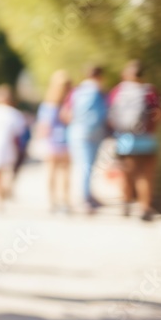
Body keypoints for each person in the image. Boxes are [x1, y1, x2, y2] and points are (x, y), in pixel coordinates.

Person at [108, 60, 161, 221]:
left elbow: (110, 117)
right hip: (147, 140)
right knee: (145, 175)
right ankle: (144, 209)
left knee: (125, 174)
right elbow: (158, 114)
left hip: (124, 141)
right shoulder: (150, 92)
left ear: (126, 74)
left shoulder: (118, 91)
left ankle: (125, 204)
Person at [62, 65, 109, 213]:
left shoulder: (76, 91)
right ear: (100, 76)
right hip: (93, 134)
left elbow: (65, 113)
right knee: (88, 167)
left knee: (83, 166)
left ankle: (87, 196)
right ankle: (84, 200)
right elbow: (105, 114)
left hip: (76, 132)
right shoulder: (98, 92)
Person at [36, 71, 72, 213]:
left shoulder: (48, 104)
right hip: (66, 141)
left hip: (52, 142)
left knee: (51, 172)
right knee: (65, 173)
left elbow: (44, 126)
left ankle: (52, 201)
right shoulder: (69, 103)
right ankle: (64, 201)